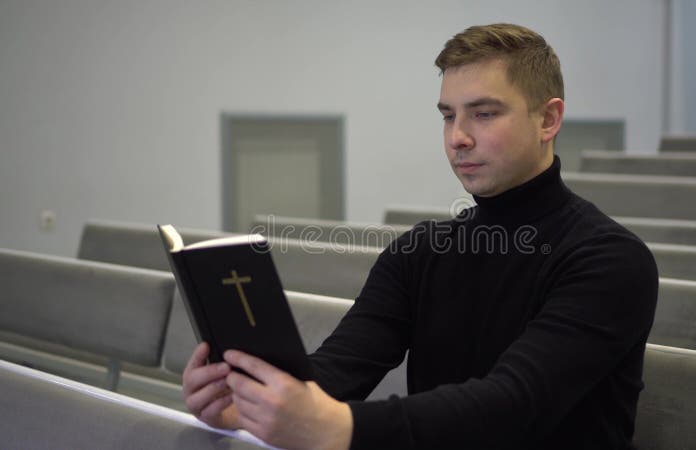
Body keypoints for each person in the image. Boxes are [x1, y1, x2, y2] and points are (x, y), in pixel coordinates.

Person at [182, 23, 659, 450]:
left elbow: (514, 405)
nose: (458, 137)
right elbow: (341, 366)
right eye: (448, 115)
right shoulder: (421, 251)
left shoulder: (610, 261)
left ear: (548, 120)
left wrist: (340, 428)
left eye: (484, 114)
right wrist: (251, 402)